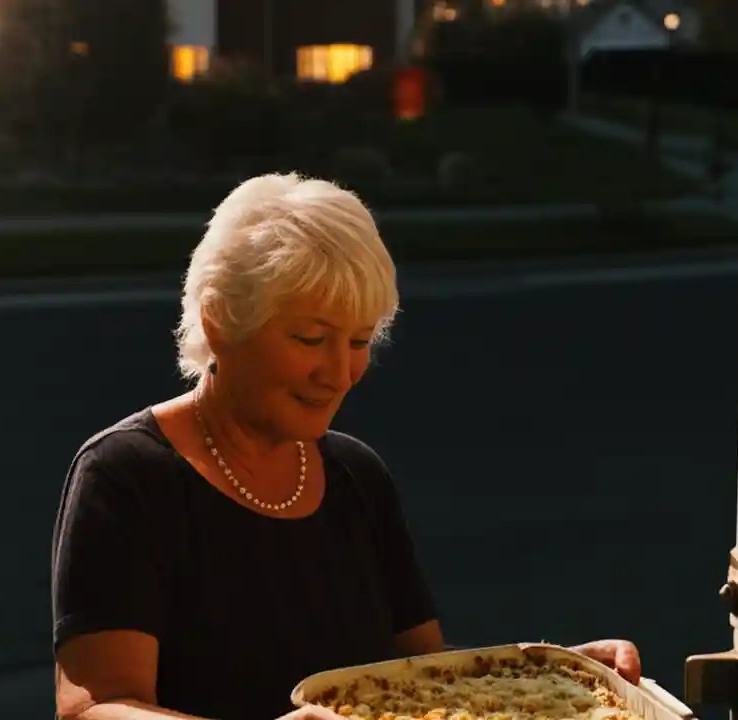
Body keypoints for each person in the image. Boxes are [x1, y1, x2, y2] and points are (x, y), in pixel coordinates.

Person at [52, 174, 641, 720]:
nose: (339, 372)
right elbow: (93, 709)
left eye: (359, 340)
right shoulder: (126, 477)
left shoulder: (357, 475)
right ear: (220, 321)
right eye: (310, 338)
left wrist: (555, 675)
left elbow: (430, 682)